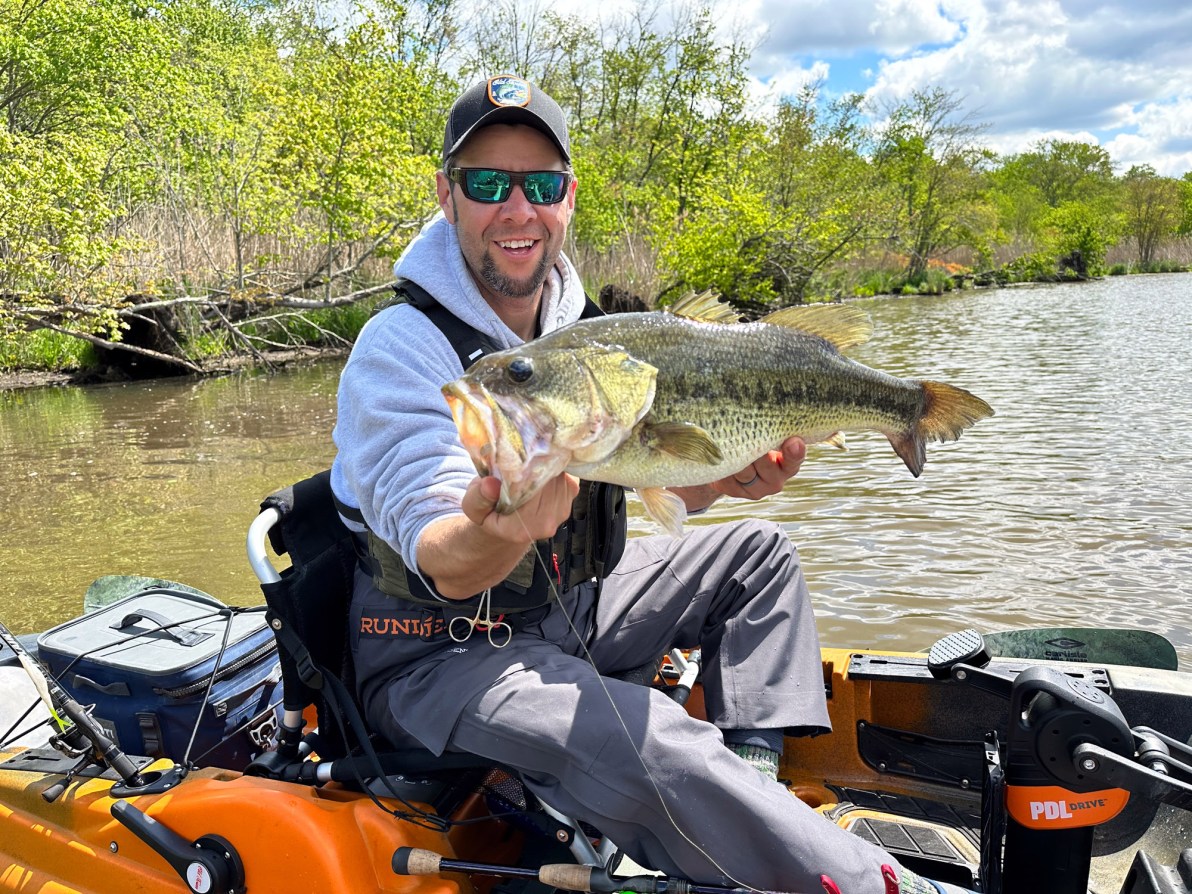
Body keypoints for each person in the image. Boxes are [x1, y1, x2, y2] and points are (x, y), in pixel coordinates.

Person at [330, 74, 975, 894]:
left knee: (758, 555)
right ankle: (876, 883)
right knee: (660, 741)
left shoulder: (586, 333)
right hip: (439, 658)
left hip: (571, 607)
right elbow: (442, 555)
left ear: (569, 198)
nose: (517, 209)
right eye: (488, 183)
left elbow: (653, 479)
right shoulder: (401, 351)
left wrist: (718, 483)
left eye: (543, 184)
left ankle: (751, 776)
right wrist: (496, 529)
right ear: (447, 196)